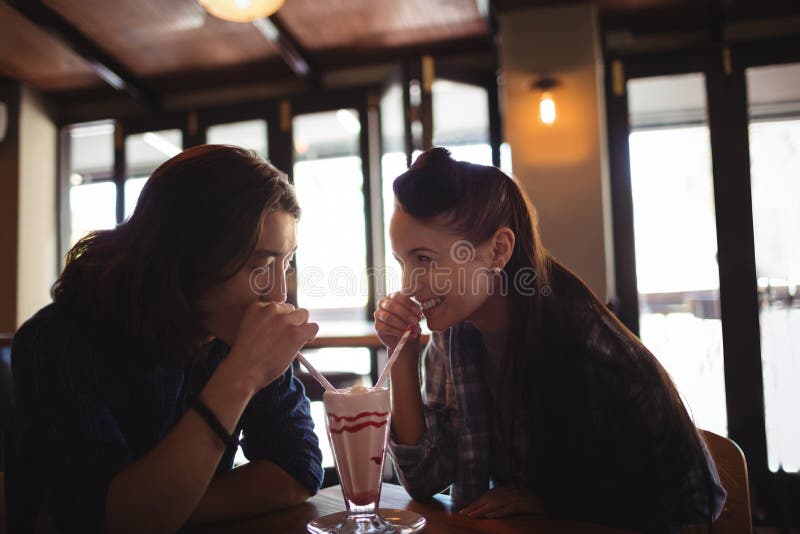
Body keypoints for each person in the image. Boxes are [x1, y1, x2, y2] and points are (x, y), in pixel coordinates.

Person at [375, 147, 726, 533]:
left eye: (423, 259)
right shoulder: (452, 340)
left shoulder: (588, 344)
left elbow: (692, 497)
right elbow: (425, 480)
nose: (408, 284)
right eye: (402, 262)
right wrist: (402, 357)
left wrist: (555, 502)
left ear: (498, 250)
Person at [5, 145, 322, 533]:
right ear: (187, 254)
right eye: (258, 265)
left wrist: (165, 510)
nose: (277, 295)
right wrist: (240, 377)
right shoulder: (57, 343)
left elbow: (297, 469)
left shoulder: (236, 329)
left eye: (284, 264)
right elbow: (104, 521)